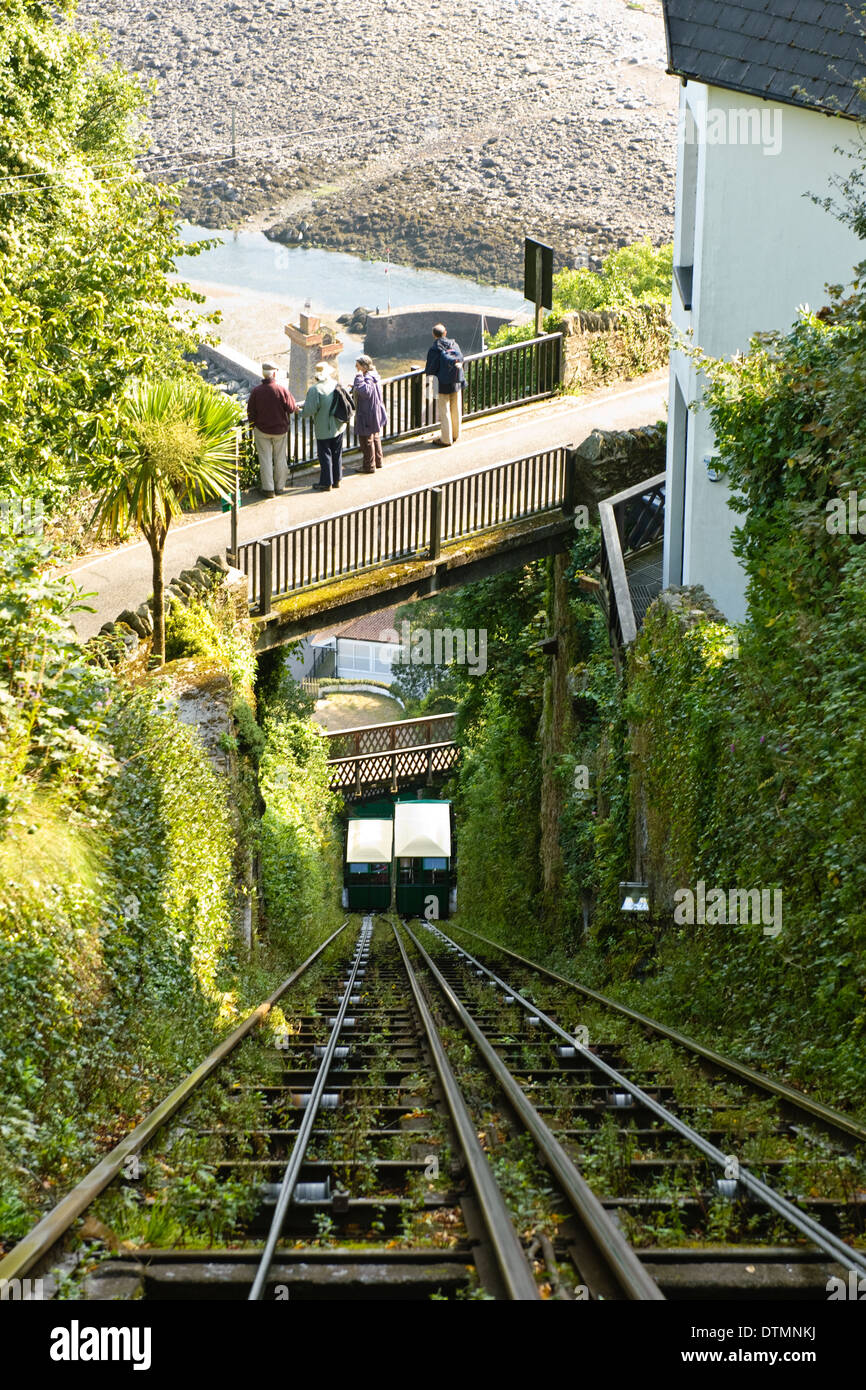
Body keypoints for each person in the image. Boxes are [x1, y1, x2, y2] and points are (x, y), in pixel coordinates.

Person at [246, 362, 298, 497]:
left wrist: (253, 425)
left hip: (262, 430)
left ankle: (268, 489)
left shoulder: (256, 391)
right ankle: (280, 487)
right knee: (280, 458)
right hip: (280, 430)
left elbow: (250, 411)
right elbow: (291, 408)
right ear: (274, 374)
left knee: (265, 459)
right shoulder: (281, 390)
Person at [301, 361, 346, 491]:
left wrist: (299, 412)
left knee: (325, 455)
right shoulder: (335, 384)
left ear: (316, 375)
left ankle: (326, 483)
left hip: (323, 428)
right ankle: (337, 480)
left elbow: (309, 410)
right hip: (338, 425)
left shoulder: (315, 389)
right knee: (337, 453)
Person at [424, 323, 465, 446]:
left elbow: (430, 369)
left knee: (444, 410)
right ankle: (455, 434)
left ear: (433, 335)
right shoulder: (454, 344)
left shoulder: (434, 349)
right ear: (445, 333)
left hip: (441, 383)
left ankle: (446, 439)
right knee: (456, 408)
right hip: (457, 380)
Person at [353, 355, 387, 473]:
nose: (356, 368)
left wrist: (358, 376)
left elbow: (365, 391)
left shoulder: (367, 377)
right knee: (375, 436)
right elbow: (369, 389)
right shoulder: (374, 375)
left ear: (363, 367)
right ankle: (378, 461)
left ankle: (369, 466)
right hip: (376, 410)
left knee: (366, 439)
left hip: (367, 413)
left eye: (357, 366)